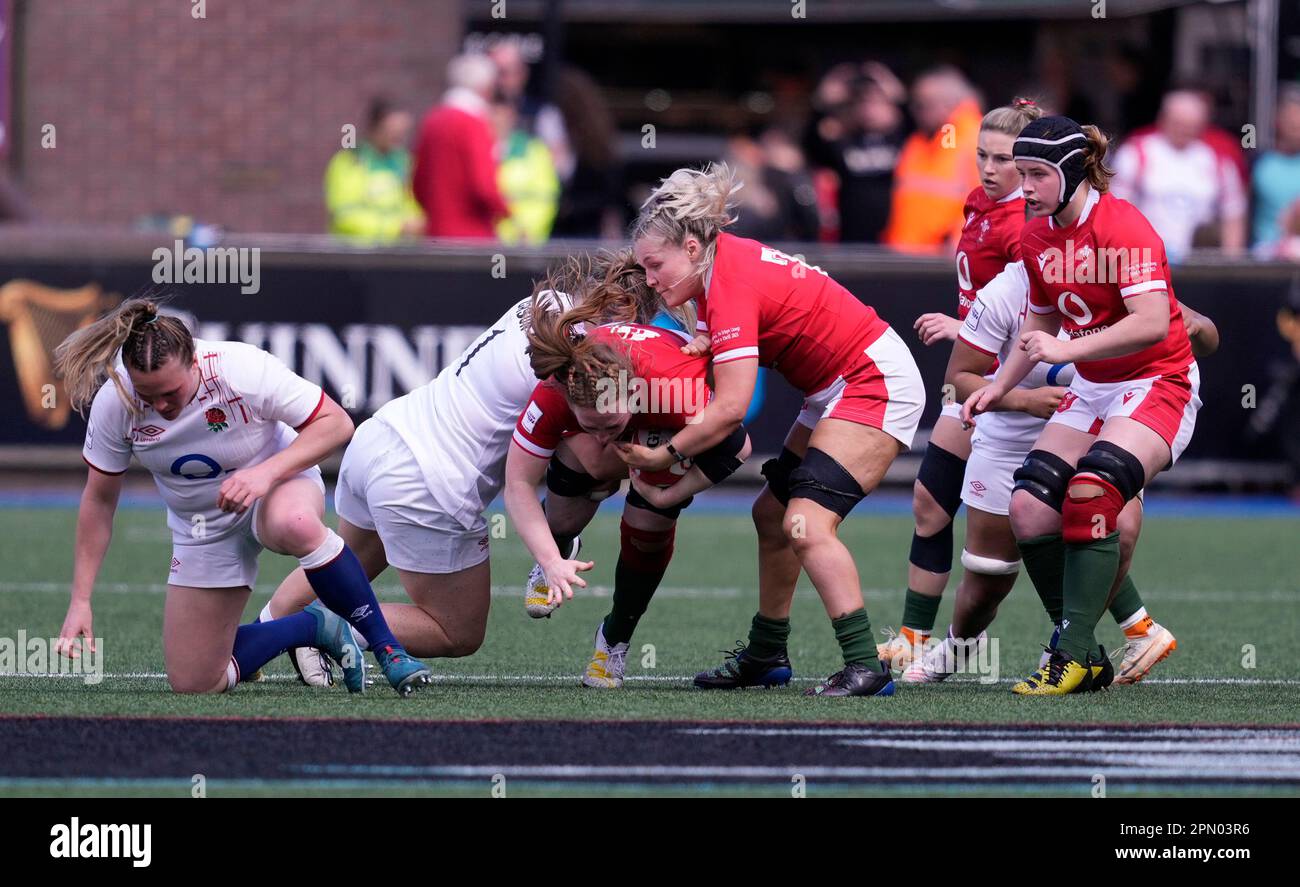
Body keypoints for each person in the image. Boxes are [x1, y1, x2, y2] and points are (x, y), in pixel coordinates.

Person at [262, 253, 691, 685]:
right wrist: (675, 449)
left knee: (344, 565)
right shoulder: (580, 357)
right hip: (427, 481)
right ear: (623, 316)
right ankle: (319, 629)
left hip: (380, 437)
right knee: (456, 630)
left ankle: (261, 634)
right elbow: (594, 460)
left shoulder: (545, 306)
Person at [622, 163, 926, 698]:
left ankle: (866, 667)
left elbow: (731, 408)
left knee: (805, 524)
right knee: (771, 514)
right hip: (839, 384)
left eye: (654, 265)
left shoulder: (728, 281)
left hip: (872, 380)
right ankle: (767, 654)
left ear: (691, 248)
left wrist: (663, 456)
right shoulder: (718, 267)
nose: (649, 280)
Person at [52, 298, 430, 696]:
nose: (160, 406)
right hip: (202, 528)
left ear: (194, 362)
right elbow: (99, 502)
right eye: (148, 395)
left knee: (295, 523)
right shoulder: (117, 403)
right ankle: (314, 626)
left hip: (277, 486)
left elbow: (335, 423)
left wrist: (264, 474)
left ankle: (388, 647)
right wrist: (80, 600)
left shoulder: (240, 369)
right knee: (196, 682)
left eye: (170, 392)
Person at [965, 116, 1201, 695]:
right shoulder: (1036, 234)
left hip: (1158, 379)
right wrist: (999, 385)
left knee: (1092, 491)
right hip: (1095, 385)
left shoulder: (1122, 224)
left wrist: (1068, 349)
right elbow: (1040, 322)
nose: (1025, 186)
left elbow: (1151, 323)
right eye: (1022, 173)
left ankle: (1068, 653)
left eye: (1037, 174)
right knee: (1029, 507)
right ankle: (1084, 651)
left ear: (1073, 174)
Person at [908, 260, 1217, 684]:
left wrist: (1191, 328)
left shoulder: (1111, 276)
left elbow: (1200, 332)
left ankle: (1070, 646)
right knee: (987, 578)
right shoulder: (1006, 292)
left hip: (1095, 423)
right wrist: (1024, 401)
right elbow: (958, 380)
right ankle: (959, 643)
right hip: (1011, 431)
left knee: (1116, 529)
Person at [505, 292, 750, 689]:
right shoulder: (554, 393)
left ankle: (614, 638)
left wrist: (666, 485)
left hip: (662, 424)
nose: (603, 436)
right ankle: (563, 541)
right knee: (575, 495)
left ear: (634, 394)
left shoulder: (675, 393)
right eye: (591, 425)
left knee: (650, 523)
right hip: (616, 410)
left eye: (610, 424)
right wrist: (549, 559)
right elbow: (517, 484)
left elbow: (739, 448)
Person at [878, 98, 1041, 675]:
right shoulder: (979, 203)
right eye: (982, 155)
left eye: (1003, 159)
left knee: (1026, 532)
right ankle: (913, 636)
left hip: (1010, 378)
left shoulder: (1028, 224)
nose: (989, 169)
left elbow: (1035, 310)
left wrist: (965, 327)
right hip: (974, 375)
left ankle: (1131, 624)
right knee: (930, 501)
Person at [1111, 90, 1247, 259]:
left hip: (1199, 261)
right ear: (1162, 119)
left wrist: (1230, 262)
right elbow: (1116, 212)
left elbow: (1233, 216)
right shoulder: (1135, 154)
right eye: (1178, 123)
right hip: (1146, 259)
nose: (1184, 130)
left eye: (1191, 126)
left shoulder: (1218, 161)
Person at [882, 66, 984, 252]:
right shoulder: (923, 139)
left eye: (922, 105)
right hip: (909, 252)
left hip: (944, 258)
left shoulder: (973, 138)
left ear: (948, 103)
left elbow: (986, 200)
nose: (915, 112)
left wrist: (960, 242)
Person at [412, 54, 509, 239]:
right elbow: (483, 187)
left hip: (436, 232)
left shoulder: (431, 121)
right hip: (472, 236)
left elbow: (419, 184)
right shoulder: (474, 124)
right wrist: (507, 212)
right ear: (486, 88)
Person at [323, 97, 423, 243]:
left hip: (397, 252)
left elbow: (413, 206)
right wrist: (396, 228)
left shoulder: (404, 162)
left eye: (402, 132)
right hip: (356, 253)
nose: (398, 138)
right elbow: (345, 215)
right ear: (375, 127)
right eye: (392, 131)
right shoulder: (350, 162)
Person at [1252, 85, 1300, 253]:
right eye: (1291, 118)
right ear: (1278, 120)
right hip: (1263, 253)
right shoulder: (1258, 163)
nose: (1296, 124)